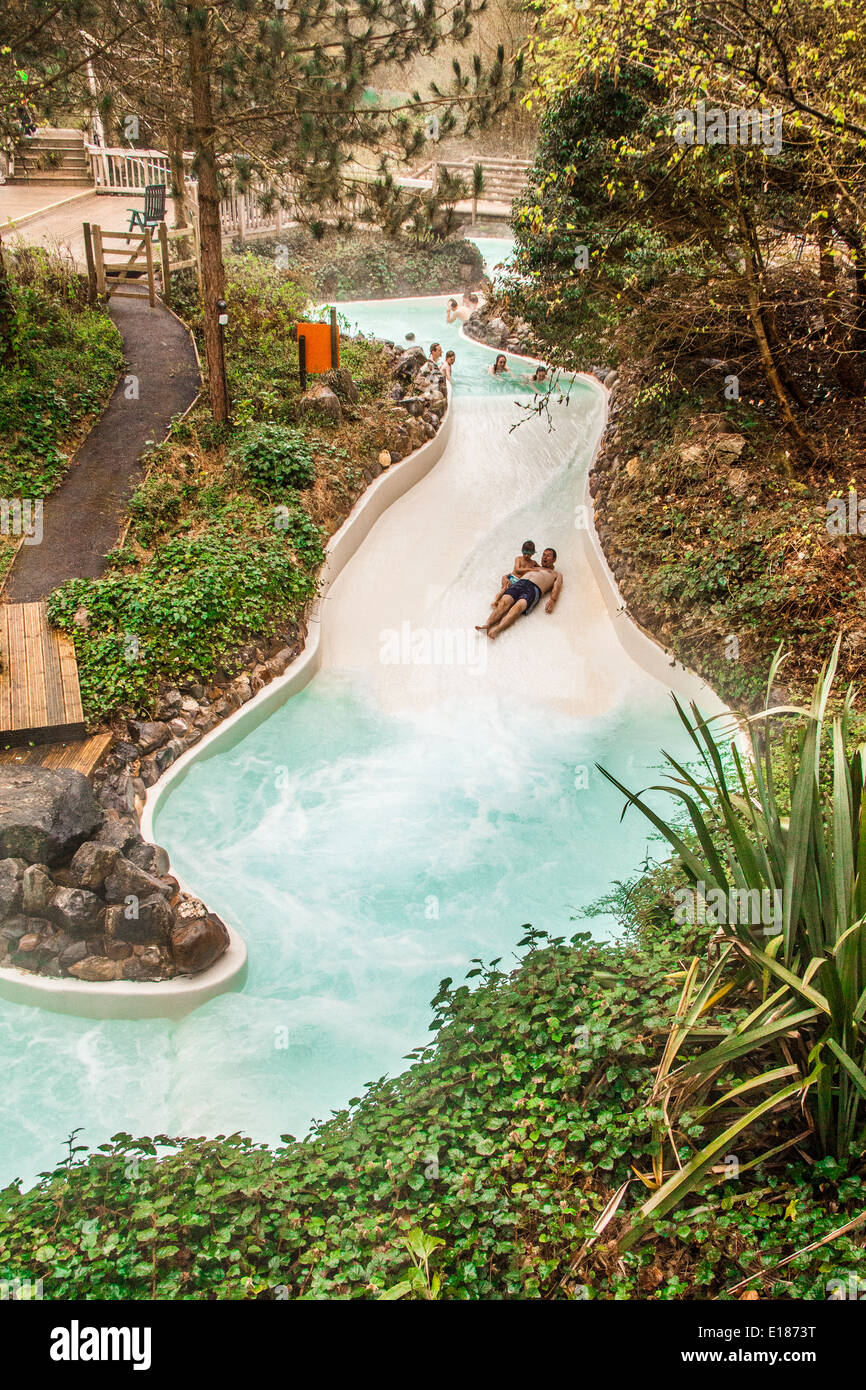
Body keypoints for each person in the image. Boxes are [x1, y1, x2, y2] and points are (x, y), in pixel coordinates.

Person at [476, 548, 563, 640]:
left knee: (518, 607)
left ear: (554, 559)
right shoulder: (533, 567)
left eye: (548, 555)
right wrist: (505, 577)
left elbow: (557, 587)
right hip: (519, 583)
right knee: (503, 602)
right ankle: (487, 625)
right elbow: (515, 573)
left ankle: (497, 630)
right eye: (543, 555)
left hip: (534, 589)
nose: (544, 557)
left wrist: (553, 600)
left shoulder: (556, 574)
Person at [491, 540, 537, 605]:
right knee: (504, 589)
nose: (526, 555)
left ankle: (502, 602)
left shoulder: (533, 563)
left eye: (528, 554)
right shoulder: (518, 559)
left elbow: (540, 569)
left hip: (519, 582)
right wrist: (530, 569)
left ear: (533, 553)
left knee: (510, 595)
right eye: (524, 553)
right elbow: (517, 569)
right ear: (522, 551)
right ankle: (495, 601)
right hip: (511, 577)